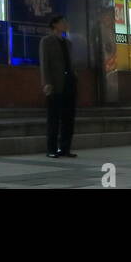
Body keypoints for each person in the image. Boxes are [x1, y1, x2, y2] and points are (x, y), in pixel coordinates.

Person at [40, 15, 77, 158]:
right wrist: (46, 83)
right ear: (54, 25)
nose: (65, 24)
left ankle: (65, 148)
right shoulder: (46, 41)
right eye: (63, 22)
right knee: (54, 117)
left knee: (68, 117)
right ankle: (51, 149)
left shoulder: (68, 43)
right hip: (55, 83)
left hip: (69, 82)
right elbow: (45, 63)